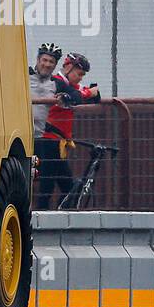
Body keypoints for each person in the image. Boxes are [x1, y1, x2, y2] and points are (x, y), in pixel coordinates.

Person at [35, 50, 100, 210]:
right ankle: (43, 219)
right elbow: (75, 96)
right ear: (68, 67)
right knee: (48, 185)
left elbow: (90, 96)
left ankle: (58, 215)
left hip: (57, 142)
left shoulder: (69, 85)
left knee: (66, 186)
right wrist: (86, 92)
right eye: (79, 73)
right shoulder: (55, 81)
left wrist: (89, 92)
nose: (80, 78)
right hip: (48, 140)